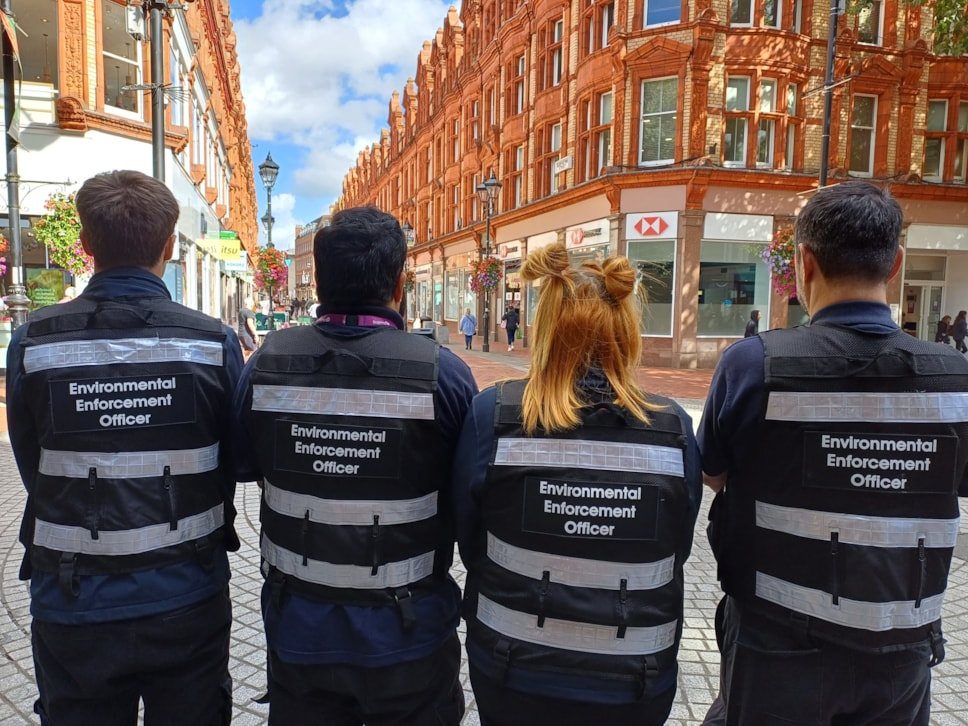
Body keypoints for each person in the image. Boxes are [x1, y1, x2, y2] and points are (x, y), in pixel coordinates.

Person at [699, 181, 968, 725]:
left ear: (804, 263)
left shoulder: (753, 365)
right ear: (895, 264)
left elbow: (712, 473)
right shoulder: (956, 380)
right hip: (901, 649)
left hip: (774, 646)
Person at [6, 170, 243, 725]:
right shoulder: (212, 341)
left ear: (85, 246)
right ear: (169, 246)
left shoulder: (34, 341)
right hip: (186, 592)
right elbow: (235, 457)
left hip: (73, 596)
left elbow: (29, 457)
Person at [233, 206, 478, 725]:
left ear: (318, 279)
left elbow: (240, 461)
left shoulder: (266, 364)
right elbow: (470, 499)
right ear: (399, 282)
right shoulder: (446, 376)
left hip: (299, 625)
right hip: (408, 630)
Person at [453, 243, 701, 726]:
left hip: (513, 665)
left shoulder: (494, 415)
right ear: (625, 331)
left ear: (544, 329)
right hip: (634, 673)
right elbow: (677, 542)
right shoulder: (671, 427)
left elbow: (469, 537)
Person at [239, 295, 259, 360]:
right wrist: (255, 335)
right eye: (252, 303)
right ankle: (249, 367)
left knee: (247, 351)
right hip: (247, 334)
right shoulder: (249, 312)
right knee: (254, 351)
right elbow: (250, 324)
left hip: (241, 334)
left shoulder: (241, 311)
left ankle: (244, 365)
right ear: (251, 304)